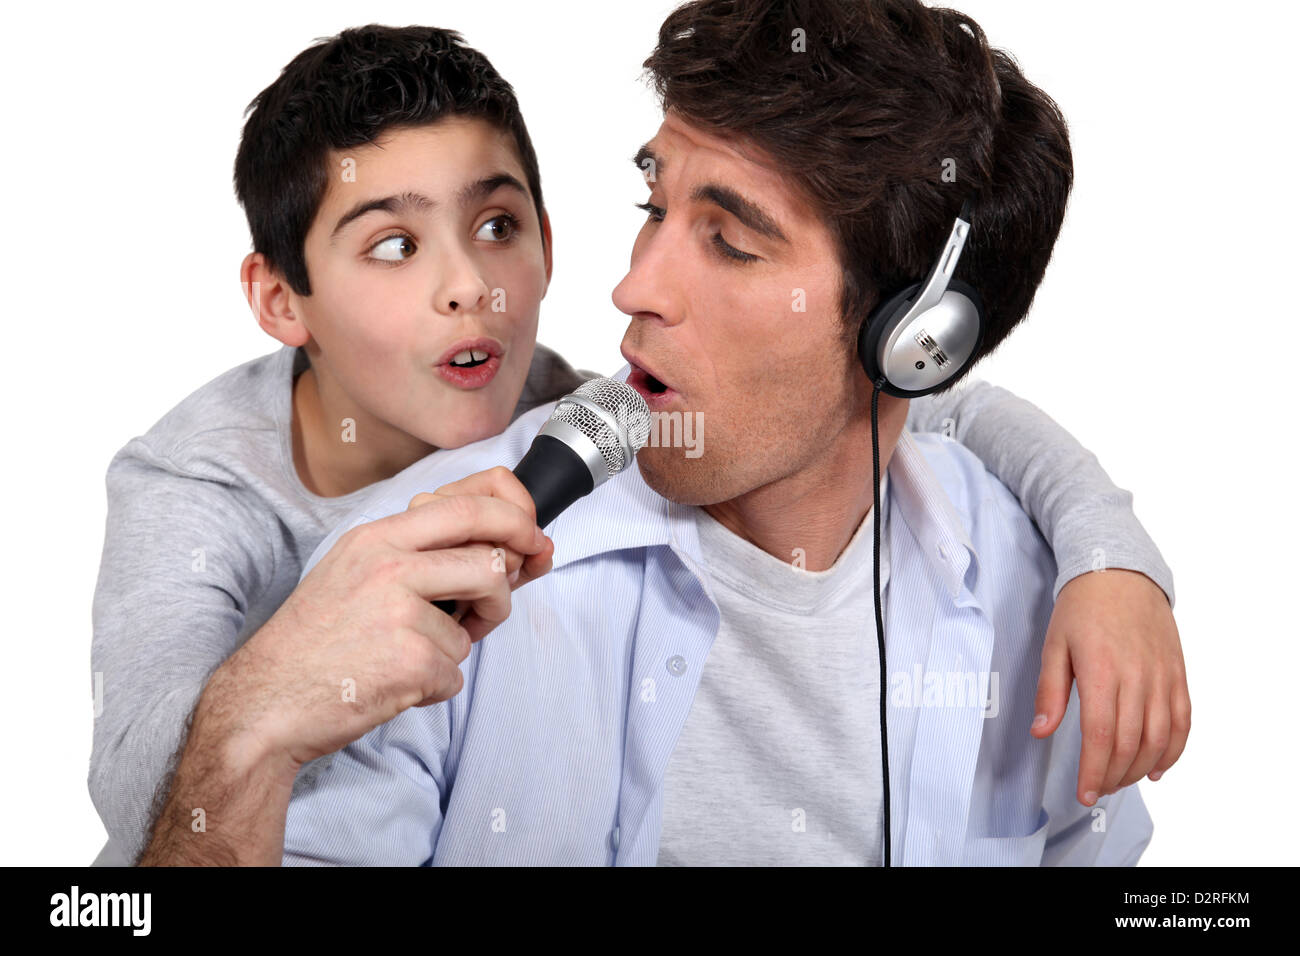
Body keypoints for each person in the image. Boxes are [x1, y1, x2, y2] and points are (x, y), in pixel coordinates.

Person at [95, 14, 1185, 867]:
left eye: (731, 241)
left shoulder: (1039, 595)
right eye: (653, 204)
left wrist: (1108, 552)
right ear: (281, 299)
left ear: (915, 340)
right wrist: (249, 729)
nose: (629, 288)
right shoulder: (409, 572)